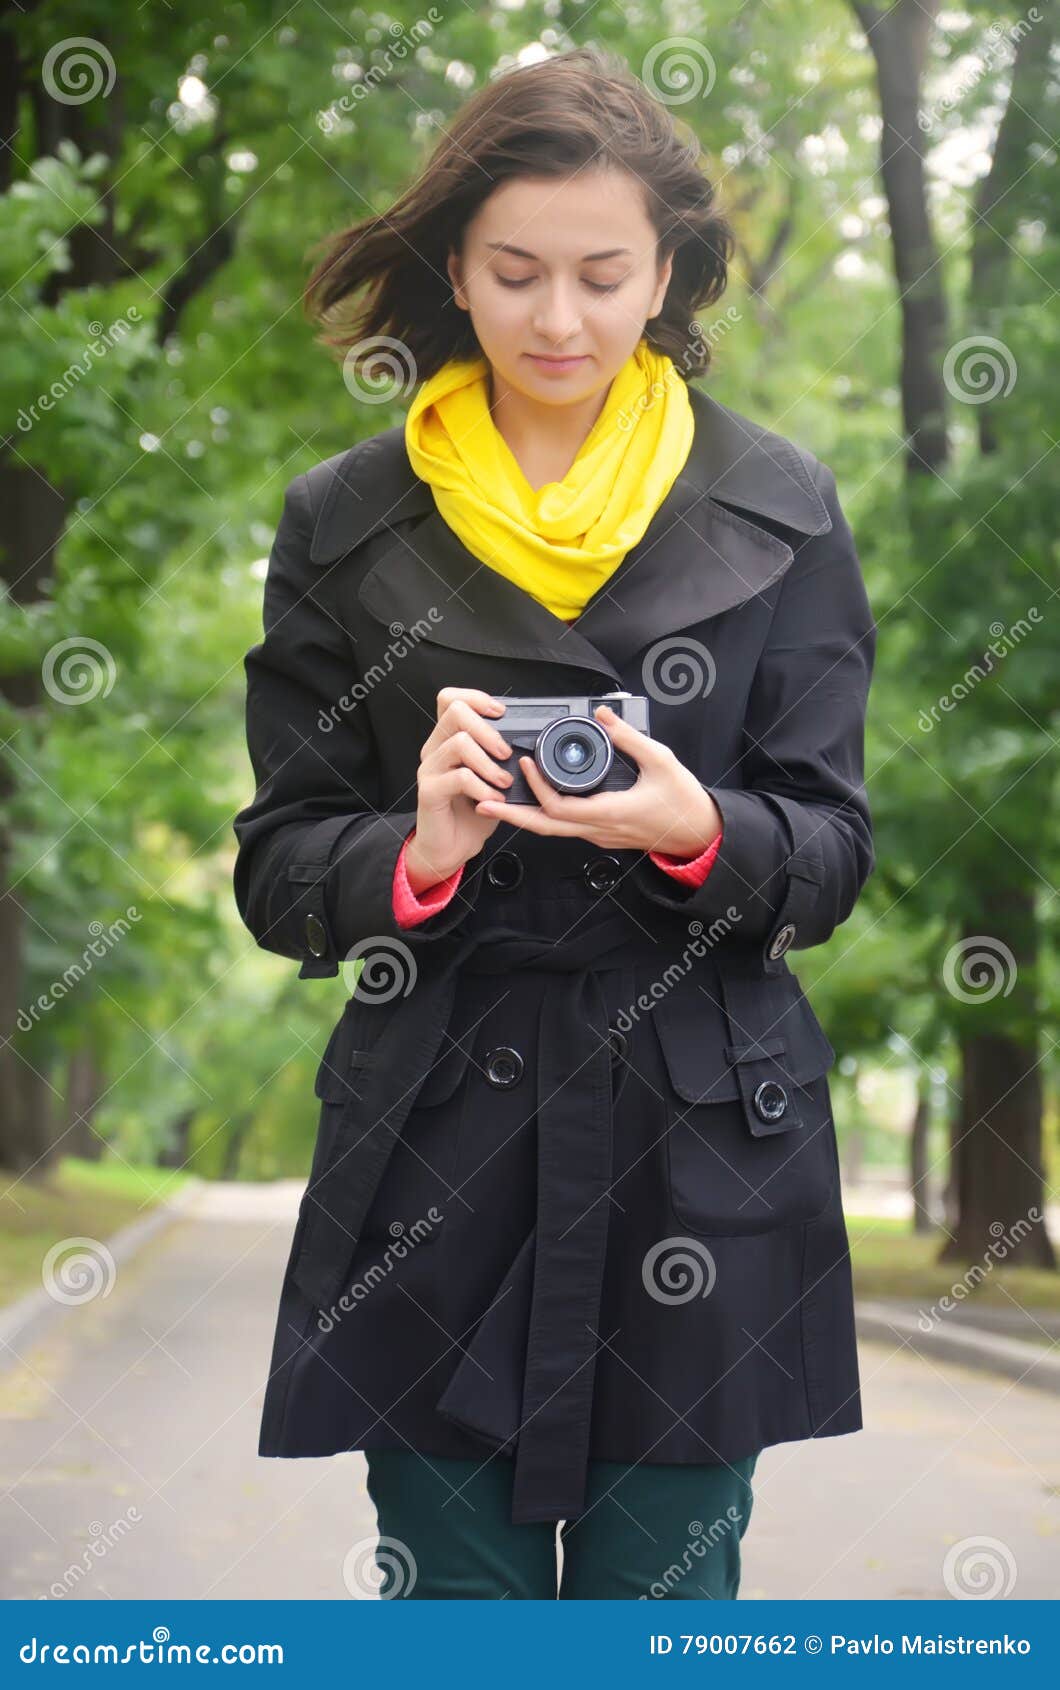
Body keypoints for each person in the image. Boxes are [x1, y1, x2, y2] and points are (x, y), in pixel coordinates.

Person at [233, 46, 876, 1601]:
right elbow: (277, 864)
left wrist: (692, 824)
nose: (560, 320)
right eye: (516, 272)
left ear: (669, 273)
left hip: (698, 1149)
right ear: (455, 266)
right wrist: (418, 852)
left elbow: (834, 848)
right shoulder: (348, 518)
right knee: (457, 1613)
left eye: (604, 273)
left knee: (667, 1616)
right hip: (438, 1138)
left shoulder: (777, 504)